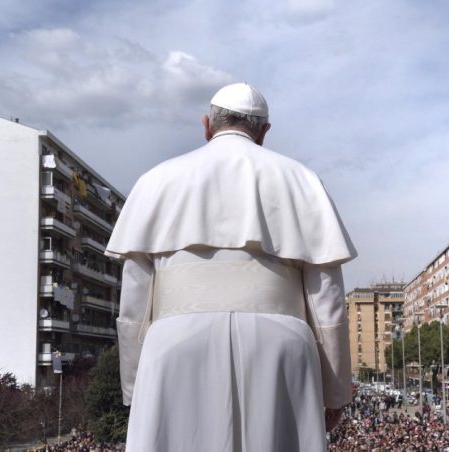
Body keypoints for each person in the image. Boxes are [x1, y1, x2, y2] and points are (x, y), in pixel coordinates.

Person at [105, 82, 357, 451]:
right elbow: (328, 304)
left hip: (175, 345)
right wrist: (335, 393)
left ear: (207, 125)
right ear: (264, 132)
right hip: (280, 347)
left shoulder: (155, 180)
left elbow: (134, 305)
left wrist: (135, 388)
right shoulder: (301, 180)